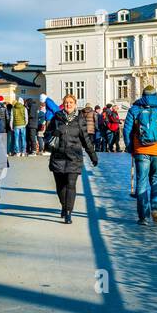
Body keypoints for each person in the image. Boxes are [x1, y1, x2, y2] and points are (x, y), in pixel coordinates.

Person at [123, 85, 157, 225]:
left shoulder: (134, 110)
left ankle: (143, 217)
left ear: (142, 95)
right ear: (156, 95)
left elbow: (126, 131)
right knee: (156, 180)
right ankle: (155, 209)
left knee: (141, 182)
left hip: (141, 151)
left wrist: (131, 148)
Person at [45, 94, 98, 224]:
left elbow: (86, 140)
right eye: (66, 102)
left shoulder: (80, 120)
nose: (68, 105)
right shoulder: (56, 118)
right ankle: (64, 205)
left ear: (75, 104)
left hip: (74, 157)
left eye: (71, 102)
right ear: (63, 104)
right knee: (60, 187)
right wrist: (53, 133)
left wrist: (93, 155)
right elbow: (46, 134)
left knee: (71, 185)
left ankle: (68, 212)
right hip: (58, 157)